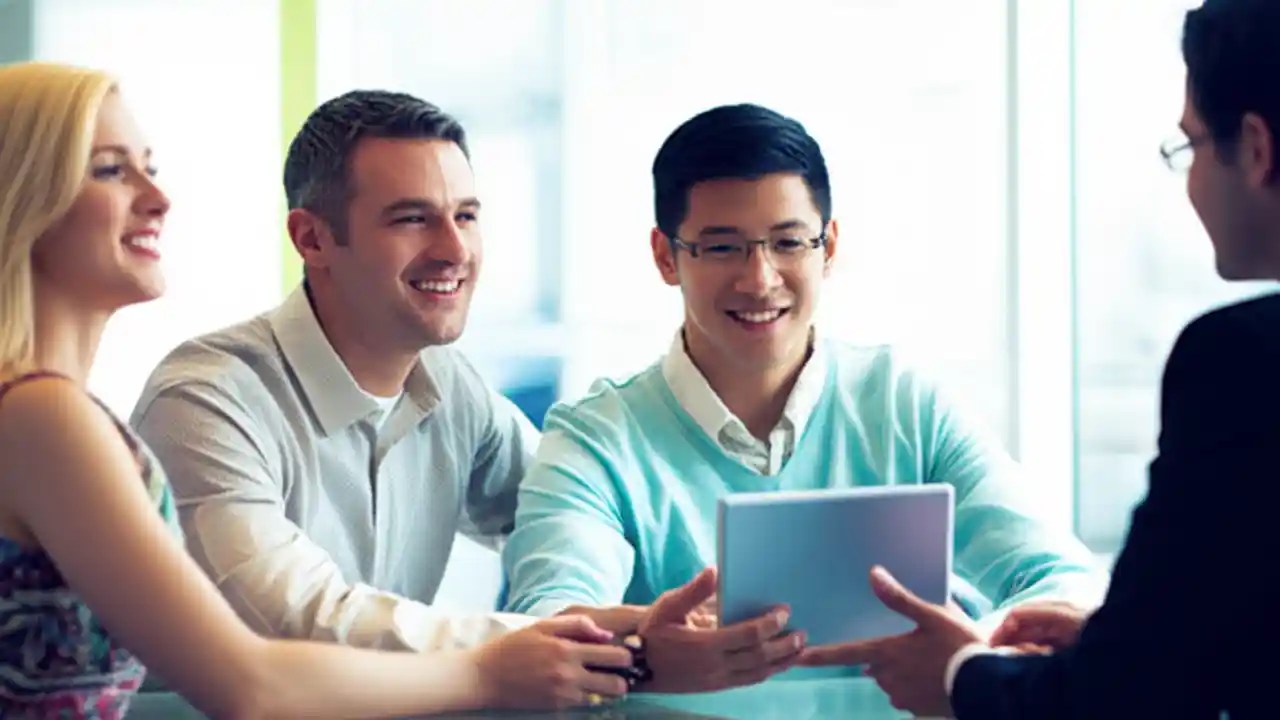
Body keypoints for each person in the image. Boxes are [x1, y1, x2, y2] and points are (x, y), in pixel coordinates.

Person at [0, 60, 636, 718]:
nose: (160, 199)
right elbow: (257, 680)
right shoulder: (55, 414)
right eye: (109, 169)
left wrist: (576, 619)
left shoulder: (54, 411)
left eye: (150, 168)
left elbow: (562, 504)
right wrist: (520, 661)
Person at [501, 103, 1107, 690]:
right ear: (666, 256)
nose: (759, 278)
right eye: (721, 247)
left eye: (788, 242)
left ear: (830, 247)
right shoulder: (596, 439)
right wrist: (645, 651)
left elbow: (1063, 577)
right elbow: (544, 625)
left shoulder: (907, 407)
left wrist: (972, 648)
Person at [795, 1, 1280, 717]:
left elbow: (1123, 701)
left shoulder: (1241, 360)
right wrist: (1131, 640)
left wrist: (959, 675)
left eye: (1191, 147)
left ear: (1258, 148)